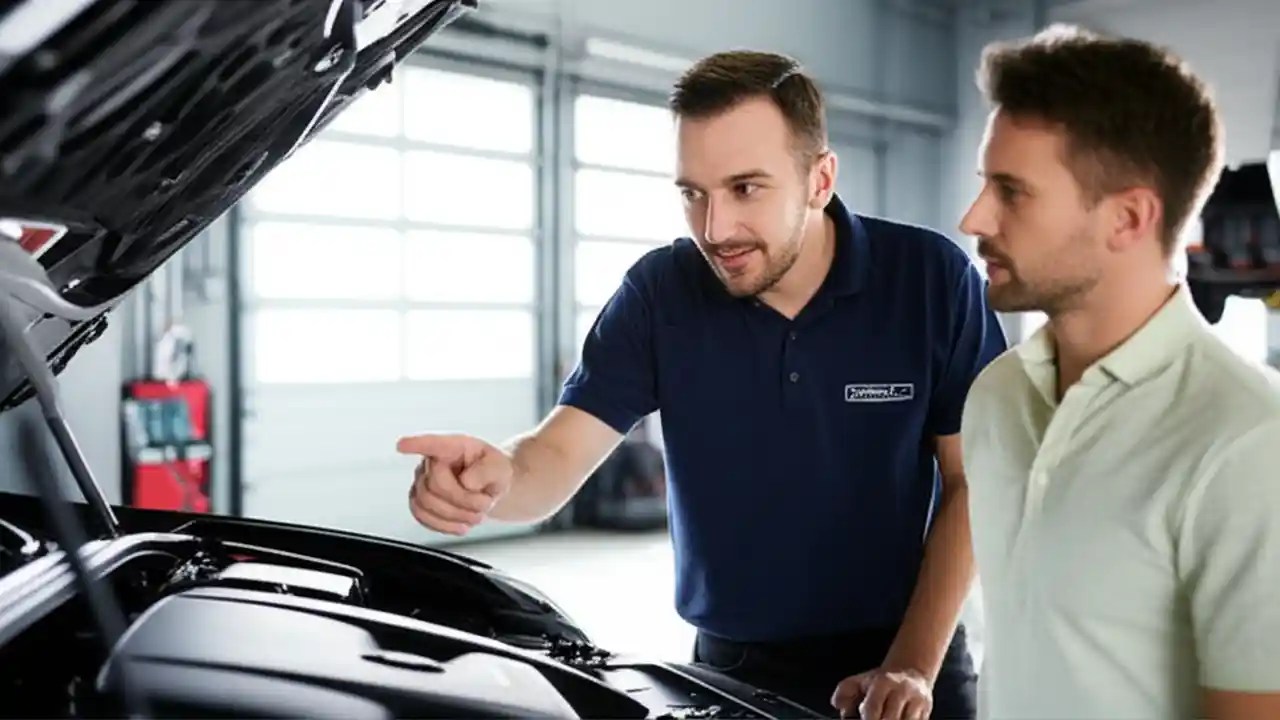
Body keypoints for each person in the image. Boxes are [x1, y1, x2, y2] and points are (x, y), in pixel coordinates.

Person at [398, 50, 1006, 720]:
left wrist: (912, 666)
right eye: (693, 193)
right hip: (732, 665)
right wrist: (496, 479)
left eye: (746, 189)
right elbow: (556, 455)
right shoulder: (660, 294)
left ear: (820, 178)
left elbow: (970, 481)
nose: (714, 230)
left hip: (910, 652)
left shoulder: (929, 281)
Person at [957, 24, 1280, 720]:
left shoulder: (1251, 440)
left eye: (1011, 191)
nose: (973, 216)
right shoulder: (995, 396)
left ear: (1129, 217)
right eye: (985, 183)